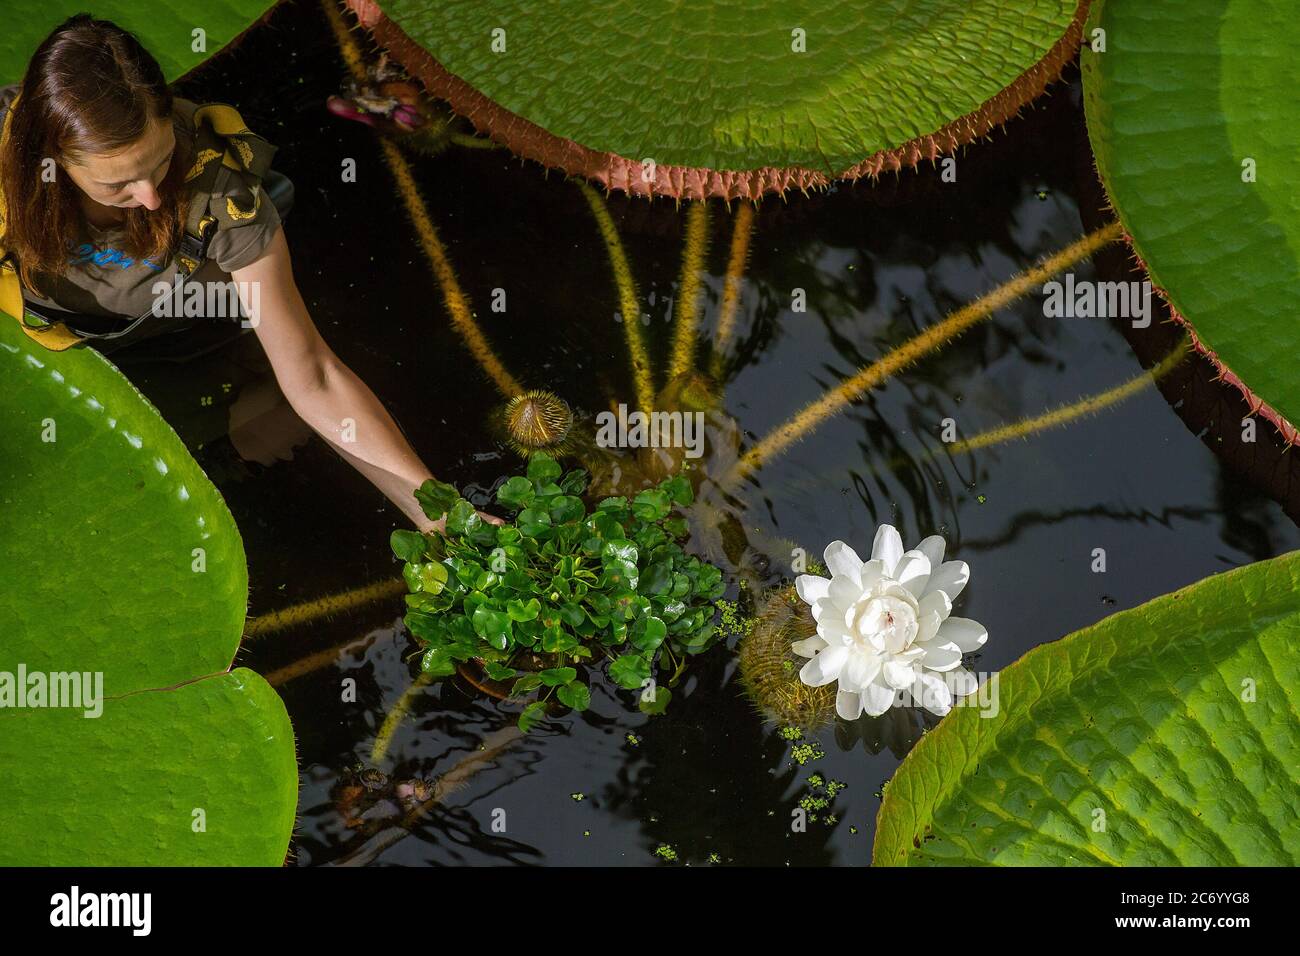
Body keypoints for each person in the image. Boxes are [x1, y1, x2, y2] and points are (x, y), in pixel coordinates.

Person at [0, 14, 497, 534]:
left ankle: (219, 464)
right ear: (50, 162)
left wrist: (436, 515)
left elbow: (317, 376)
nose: (149, 198)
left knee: (287, 414)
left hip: (190, 320)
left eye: (162, 161)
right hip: (62, 346)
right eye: (117, 185)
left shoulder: (221, 186)